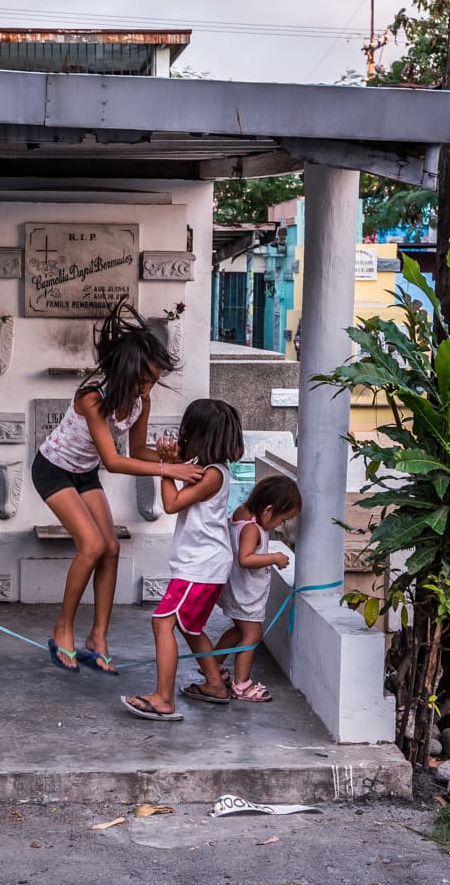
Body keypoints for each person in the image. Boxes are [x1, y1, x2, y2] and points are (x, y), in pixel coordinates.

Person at [32, 299, 204, 675]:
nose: (150, 386)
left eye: (154, 380)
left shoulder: (141, 401)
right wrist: (165, 470)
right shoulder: (92, 398)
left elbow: (137, 450)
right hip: (52, 470)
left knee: (110, 547)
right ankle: (63, 628)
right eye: (146, 379)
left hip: (85, 473)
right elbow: (114, 461)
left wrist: (168, 458)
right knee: (91, 545)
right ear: (127, 372)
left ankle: (98, 637)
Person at [121, 398, 243, 722]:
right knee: (191, 627)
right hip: (205, 564)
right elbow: (138, 454)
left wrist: (166, 469)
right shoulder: (206, 469)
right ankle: (215, 685)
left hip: (201, 566)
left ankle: (163, 699)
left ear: (200, 434)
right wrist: (169, 462)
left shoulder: (212, 475)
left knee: (162, 622)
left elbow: (172, 503)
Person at [214, 476, 301, 703]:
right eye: (282, 520)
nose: (280, 526)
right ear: (268, 510)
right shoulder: (252, 529)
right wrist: (273, 557)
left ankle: (212, 667)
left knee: (237, 631)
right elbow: (245, 558)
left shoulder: (242, 513)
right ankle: (242, 684)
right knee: (252, 635)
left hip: (236, 589)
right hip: (246, 593)